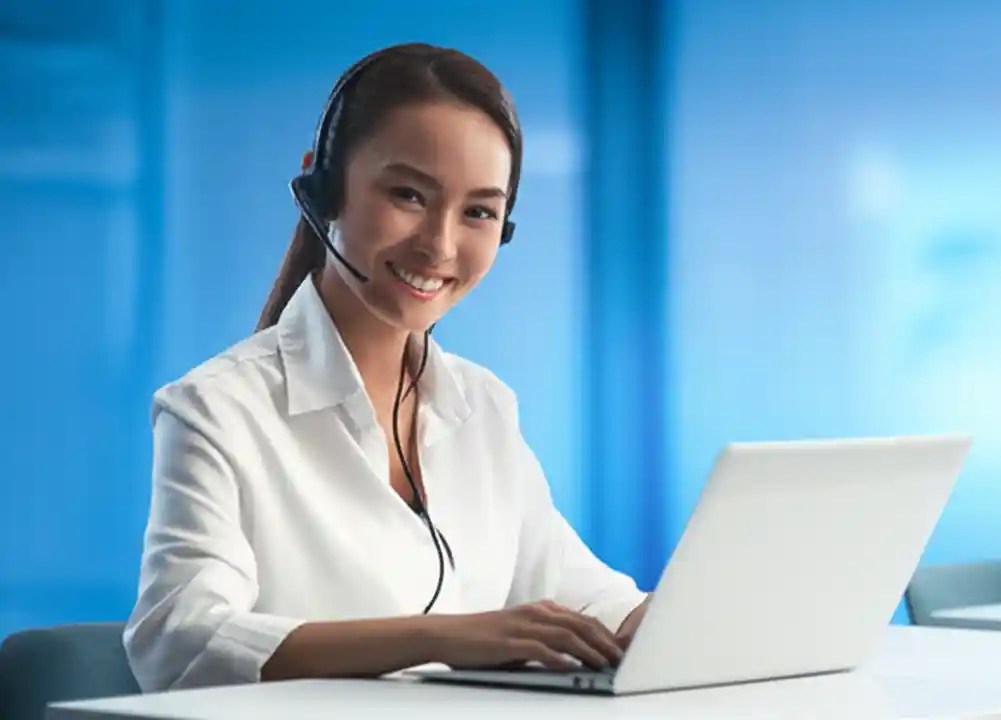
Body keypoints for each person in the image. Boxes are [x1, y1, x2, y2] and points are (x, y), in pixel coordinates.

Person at [123, 43, 648, 692]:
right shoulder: (216, 410)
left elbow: (586, 598)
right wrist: (444, 638)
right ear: (324, 186)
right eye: (408, 194)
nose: (440, 244)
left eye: (479, 212)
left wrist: (702, 620)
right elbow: (180, 638)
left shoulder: (481, 407)